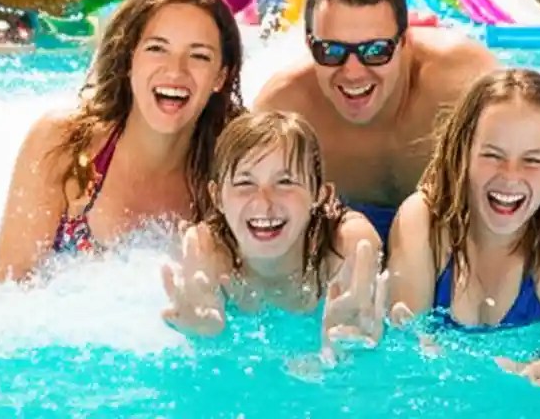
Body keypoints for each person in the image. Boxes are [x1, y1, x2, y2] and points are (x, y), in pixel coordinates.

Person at [385, 68, 540, 392]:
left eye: (532, 161)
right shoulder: (424, 223)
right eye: (492, 155)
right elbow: (406, 346)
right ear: (464, 155)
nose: (510, 176)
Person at [0, 0, 246, 282]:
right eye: (157, 48)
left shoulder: (232, 171)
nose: (176, 70)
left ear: (220, 76)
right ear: (129, 59)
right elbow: (9, 290)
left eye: (199, 56)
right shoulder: (64, 146)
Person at [253, 0, 500, 245]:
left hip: (448, 235)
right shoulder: (285, 109)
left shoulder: (461, 82)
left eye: (375, 51)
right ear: (310, 47)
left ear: (404, 42)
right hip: (345, 240)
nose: (353, 72)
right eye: (332, 51)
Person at [161, 110, 387, 353]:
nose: (264, 202)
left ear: (319, 196)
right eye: (245, 183)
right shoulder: (208, 249)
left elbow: (365, 253)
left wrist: (347, 350)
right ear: (217, 197)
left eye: (285, 182)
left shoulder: (345, 245)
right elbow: (198, 310)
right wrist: (204, 338)